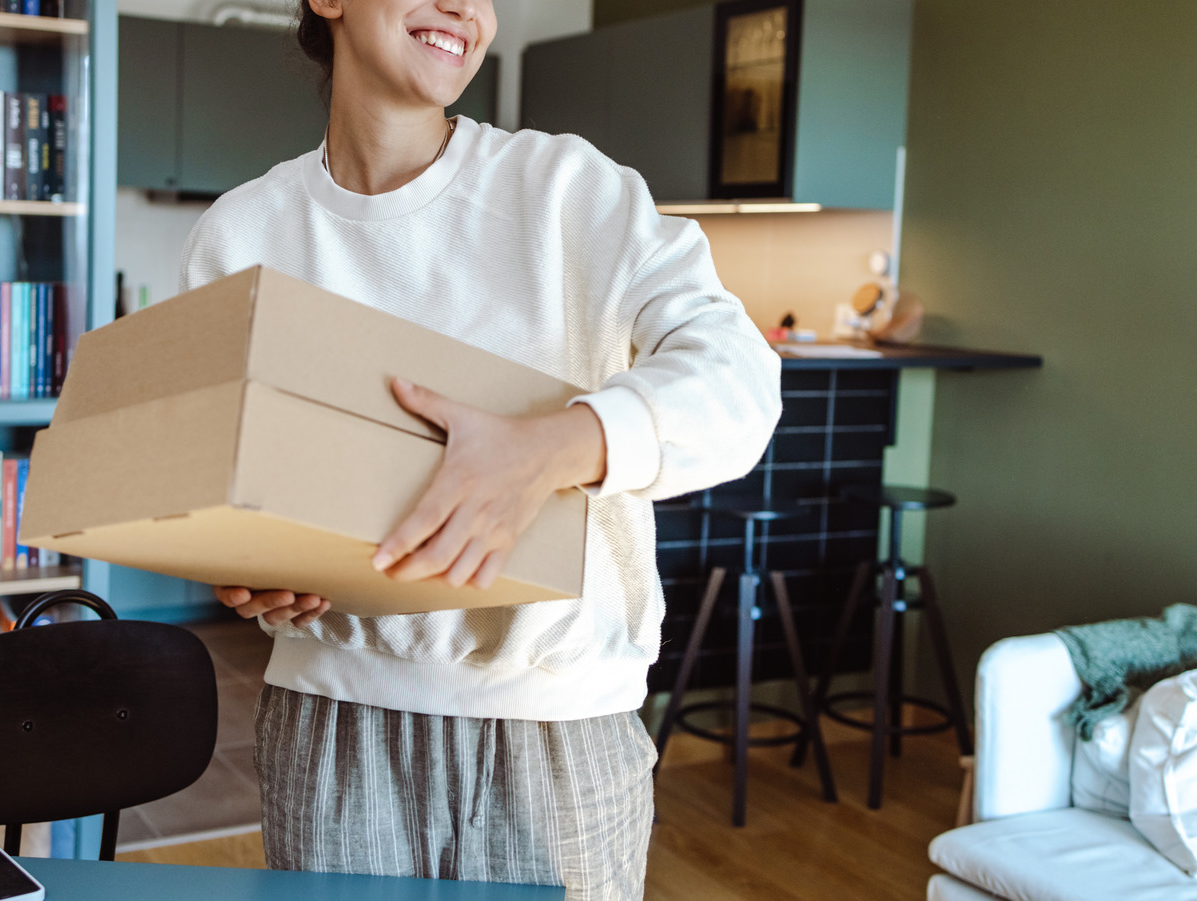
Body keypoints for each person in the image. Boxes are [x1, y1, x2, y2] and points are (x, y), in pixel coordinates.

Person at [178, 1, 782, 897]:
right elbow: (219, 485)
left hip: (556, 735)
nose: (467, 8)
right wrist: (248, 570)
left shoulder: (571, 193)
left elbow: (741, 381)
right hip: (330, 723)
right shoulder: (240, 235)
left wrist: (555, 446)